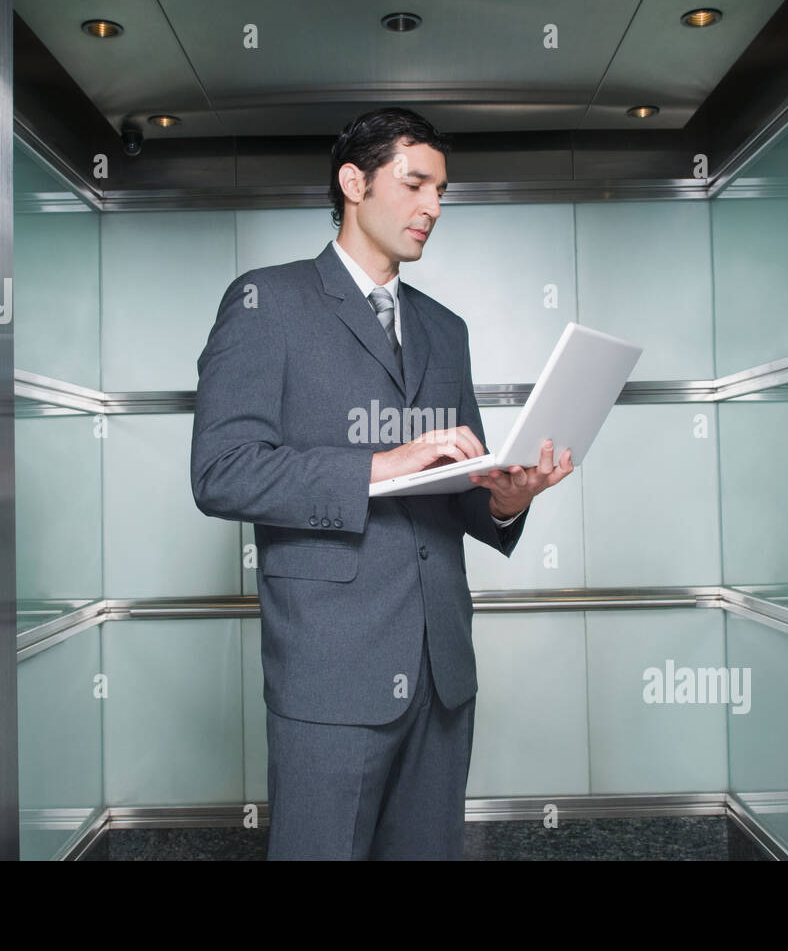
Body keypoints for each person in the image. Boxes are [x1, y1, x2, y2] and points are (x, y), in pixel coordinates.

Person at [190, 107, 573, 860]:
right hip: (331, 675)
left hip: (441, 673)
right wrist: (376, 465)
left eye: (442, 190)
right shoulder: (267, 303)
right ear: (353, 183)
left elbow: (459, 480)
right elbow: (220, 470)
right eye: (416, 183)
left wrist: (506, 498)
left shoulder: (445, 329)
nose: (434, 206)